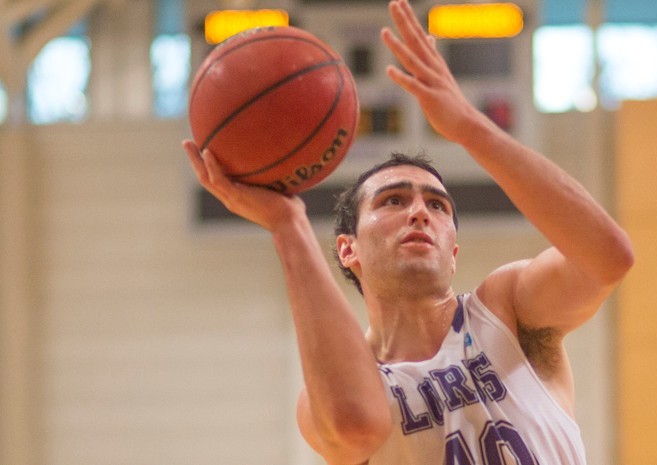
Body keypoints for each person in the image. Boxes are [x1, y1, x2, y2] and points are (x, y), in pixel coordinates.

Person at [182, 0, 633, 463]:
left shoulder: (506, 309)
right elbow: (355, 426)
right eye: (393, 200)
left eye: (437, 205)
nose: (419, 212)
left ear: (453, 253)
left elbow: (607, 257)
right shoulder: (340, 384)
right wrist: (287, 224)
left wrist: (470, 128)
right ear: (348, 249)